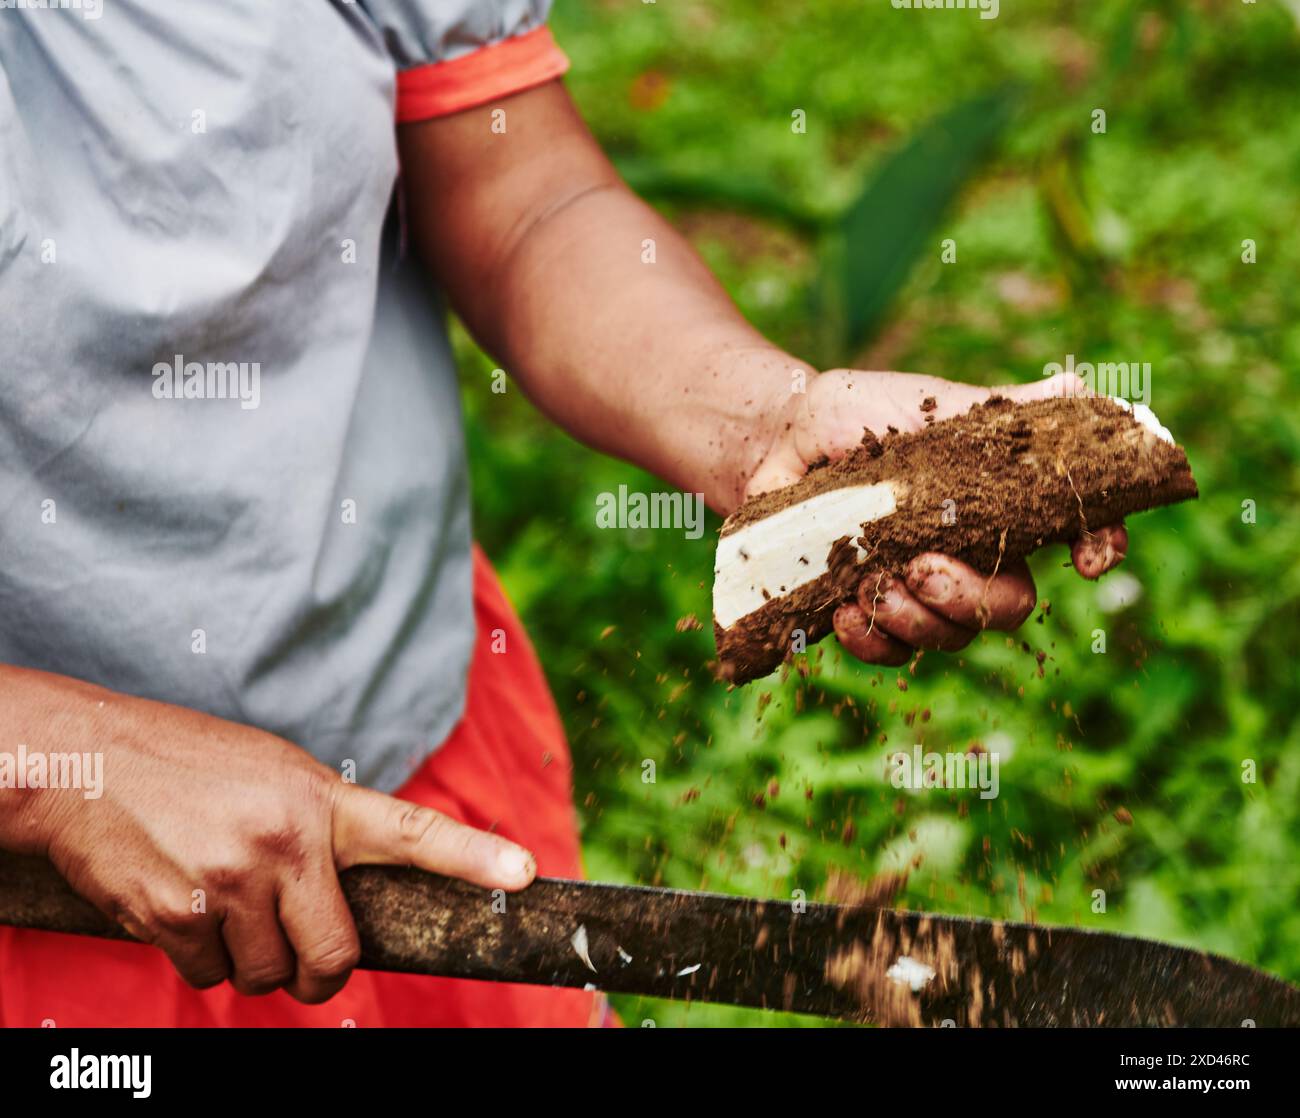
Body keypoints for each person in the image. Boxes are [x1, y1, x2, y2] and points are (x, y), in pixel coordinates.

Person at [0, 1, 1125, 1027]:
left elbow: (522, 194)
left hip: (402, 775)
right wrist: (62, 763)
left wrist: (766, 418)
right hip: (46, 927)